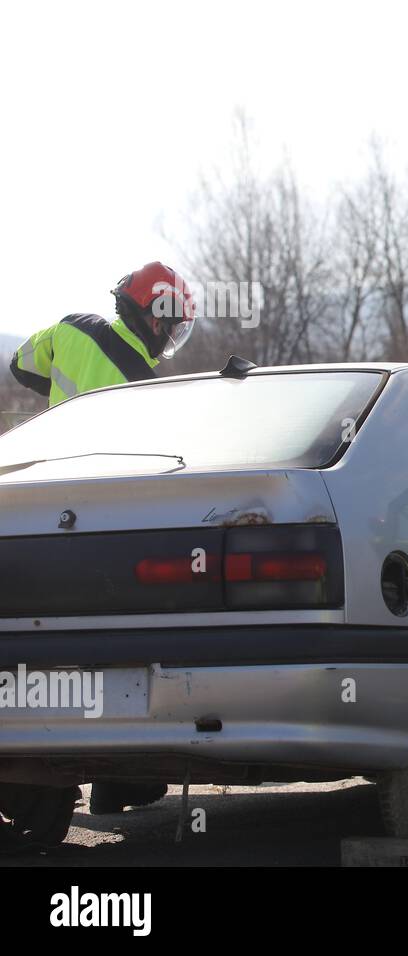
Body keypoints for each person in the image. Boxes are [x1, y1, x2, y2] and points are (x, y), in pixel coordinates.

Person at [8, 261, 195, 817]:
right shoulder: (152, 390)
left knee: (39, 654)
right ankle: (122, 781)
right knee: (126, 651)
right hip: (113, 527)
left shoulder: (69, 331)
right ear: (156, 319)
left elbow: (21, 367)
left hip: (39, 512)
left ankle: (35, 773)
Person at [9, 261, 196, 406]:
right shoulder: (148, 390)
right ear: (157, 324)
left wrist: (61, 399)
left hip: (55, 454)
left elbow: (19, 365)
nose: (172, 335)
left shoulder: (72, 327)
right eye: (174, 328)